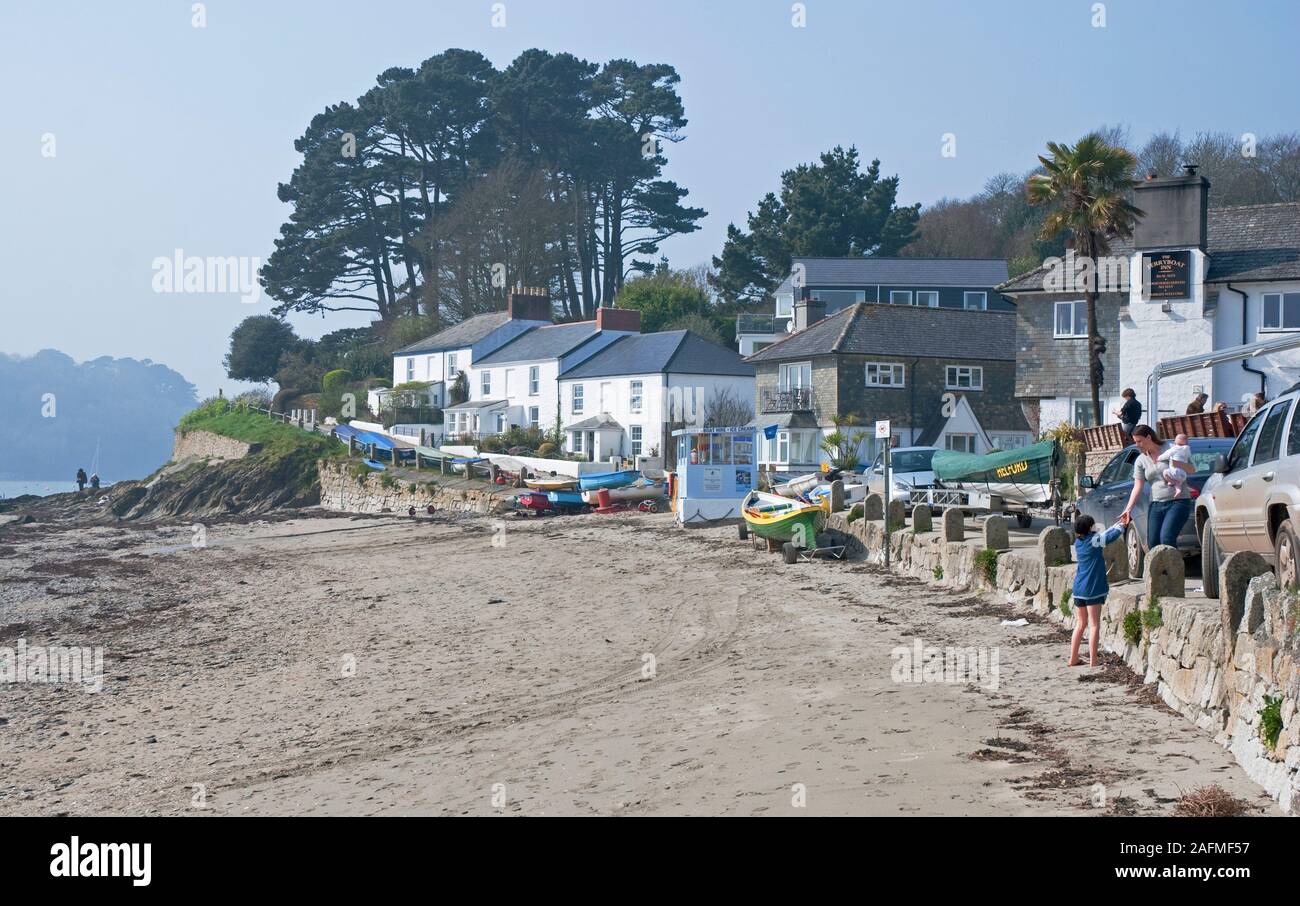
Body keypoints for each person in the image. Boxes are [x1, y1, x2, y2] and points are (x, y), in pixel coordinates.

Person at [1119, 425, 1196, 550]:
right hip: (1155, 504)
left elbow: (1192, 470)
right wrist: (1128, 509)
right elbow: (1137, 486)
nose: (1137, 445)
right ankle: (1159, 569)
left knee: (1166, 538)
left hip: (1178, 502)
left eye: (1139, 441)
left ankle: (1173, 568)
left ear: (1149, 437)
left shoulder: (1171, 448)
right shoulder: (1141, 460)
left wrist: (1178, 464)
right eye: (1135, 442)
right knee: (1153, 542)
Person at [1069, 514, 1123, 667]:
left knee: (1080, 624)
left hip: (1079, 588)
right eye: (1092, 526)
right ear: (1089, 528)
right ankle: (1094, 661)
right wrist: (1123, 525)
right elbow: (1111, 535)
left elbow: (1103, 534)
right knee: (1094, 625)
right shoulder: (1094, 540)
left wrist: (1117, 523)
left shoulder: (1078, 542)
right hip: (1092, 588)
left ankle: (1073, 658)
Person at [1157, 433, 1192, 499]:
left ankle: (1172, 481)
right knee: (1178, 483)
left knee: (1165, 473)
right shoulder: (1187, 450)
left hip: (1175, 471)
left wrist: (1158, 458)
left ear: (1176, 441)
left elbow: (1165, 455)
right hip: (1183, 474)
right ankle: (1178, 490)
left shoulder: (1174, 449)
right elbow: (1189, 457)